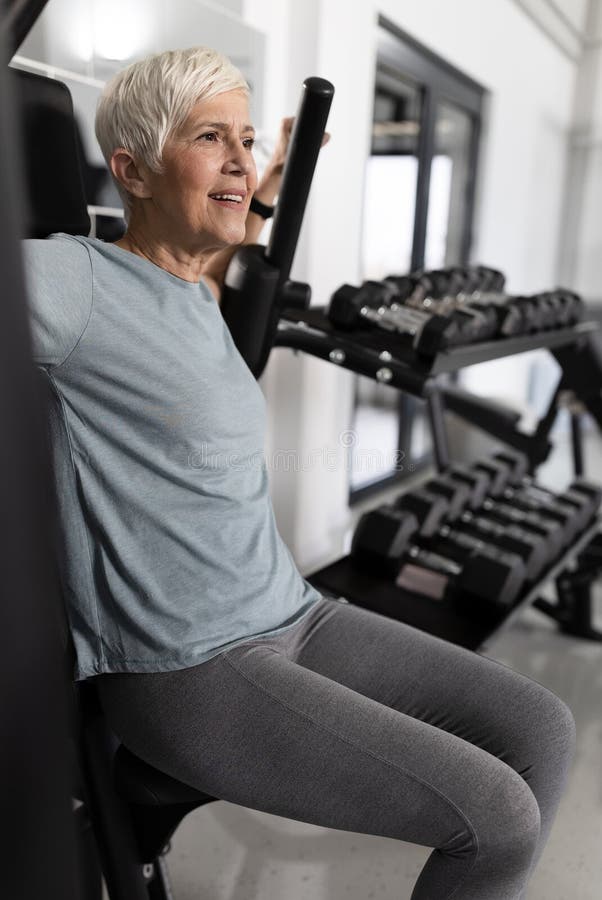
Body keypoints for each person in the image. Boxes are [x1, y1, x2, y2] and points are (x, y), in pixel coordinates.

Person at [23, 46, 575, 899]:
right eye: (214, 137)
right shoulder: (76, 281)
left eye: (245, 138)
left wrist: (269, 175)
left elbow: (228, 245)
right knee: (495, 818)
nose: (240, 159)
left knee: (543, 726)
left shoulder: (193, 285)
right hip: (191, 667)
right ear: (130, 170)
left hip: (296, 615)